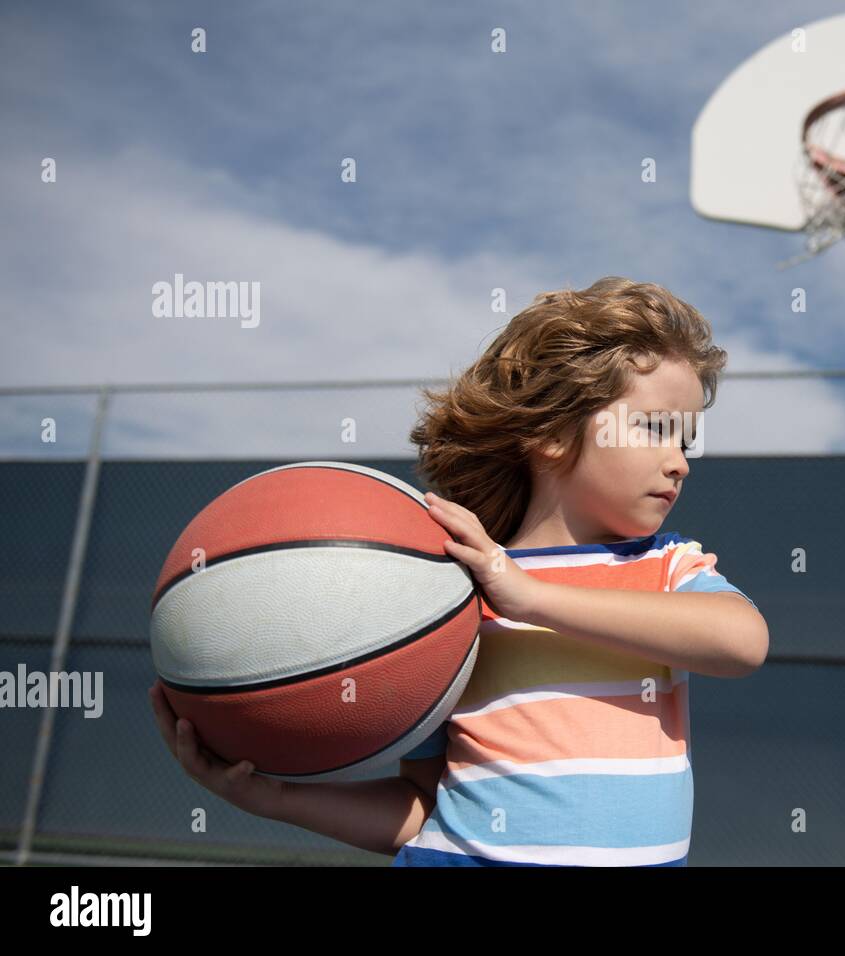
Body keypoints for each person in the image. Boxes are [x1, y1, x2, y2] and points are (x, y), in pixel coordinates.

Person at [149, 276, 768, 866]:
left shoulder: (665, 568)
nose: (679, 462)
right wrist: (274, 799)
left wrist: (531, 599)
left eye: (686, 441)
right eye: (657, 430)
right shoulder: (442, 598)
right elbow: (425, 809)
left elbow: (740, 642)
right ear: (553, 432)